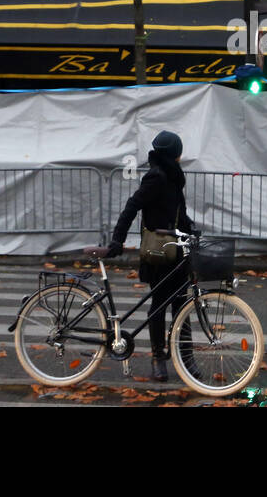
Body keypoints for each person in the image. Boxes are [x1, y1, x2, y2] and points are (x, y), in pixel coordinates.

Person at [106, 131, 197, 382]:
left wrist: (191, 228)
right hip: (158, 252)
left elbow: (177, 213)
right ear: (173, 154)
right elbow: (132, 205)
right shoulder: (156, 177)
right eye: (178, 153)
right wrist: (118, 240)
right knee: (159, 305)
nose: (180, 157)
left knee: (182, 305)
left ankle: (185, 357)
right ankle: (158, 358)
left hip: (177, 250)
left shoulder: (174, 177)